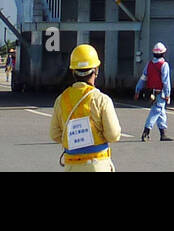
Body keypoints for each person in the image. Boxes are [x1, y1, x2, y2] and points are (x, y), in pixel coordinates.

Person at [49, 43, 122, 172]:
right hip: (97, 165)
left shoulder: (61, 99)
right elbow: (113, 135)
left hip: (71, 166)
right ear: (96, 70)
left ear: (73, 71)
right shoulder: (101, 99)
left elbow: (54, 134)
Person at [135, 42, 172, 142]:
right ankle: (146, 132)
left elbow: (143, 78)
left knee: (161, 112)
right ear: (163, 53)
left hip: (151, 92)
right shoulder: (164, 65)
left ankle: (163, 133)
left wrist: (137, 90)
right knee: (156, 111)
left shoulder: (149, 64)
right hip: (160, 93)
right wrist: (168, 94)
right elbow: (166, 81)